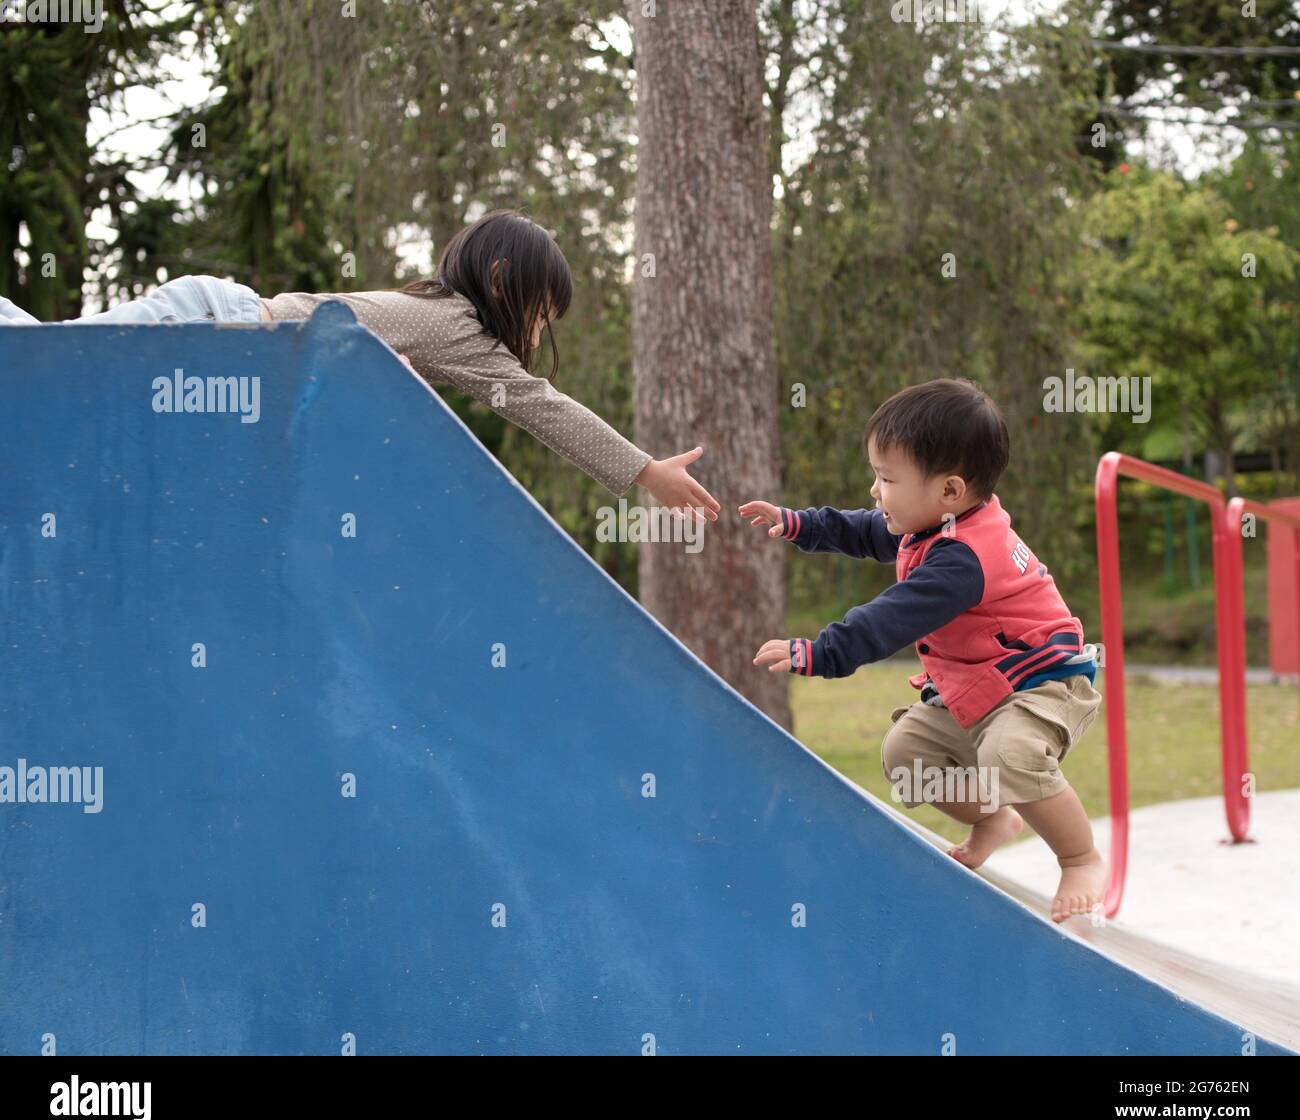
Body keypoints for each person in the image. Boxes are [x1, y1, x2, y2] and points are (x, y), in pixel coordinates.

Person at [0, 209, 720, 521]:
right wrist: (643, 469)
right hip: (212, 324)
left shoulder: (430, 312)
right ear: (504, 284)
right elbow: (541, 405)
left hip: (215, 328)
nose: (535, 332)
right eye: (539, 313)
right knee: (46, 357)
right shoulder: (462, 328)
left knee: (51, 366)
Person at [740, 377, 1105, 923]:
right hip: (982, 688)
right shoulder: (932, 523)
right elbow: (864, 531)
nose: (874, 490)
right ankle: (993, 818)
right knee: (905, 756)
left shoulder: (963, 560)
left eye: (886, 478)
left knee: (1009, 755)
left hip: (1043, 683)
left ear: (950, 490)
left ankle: (1080, 857)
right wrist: (799, 524)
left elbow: (890, 618)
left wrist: (821, 652)